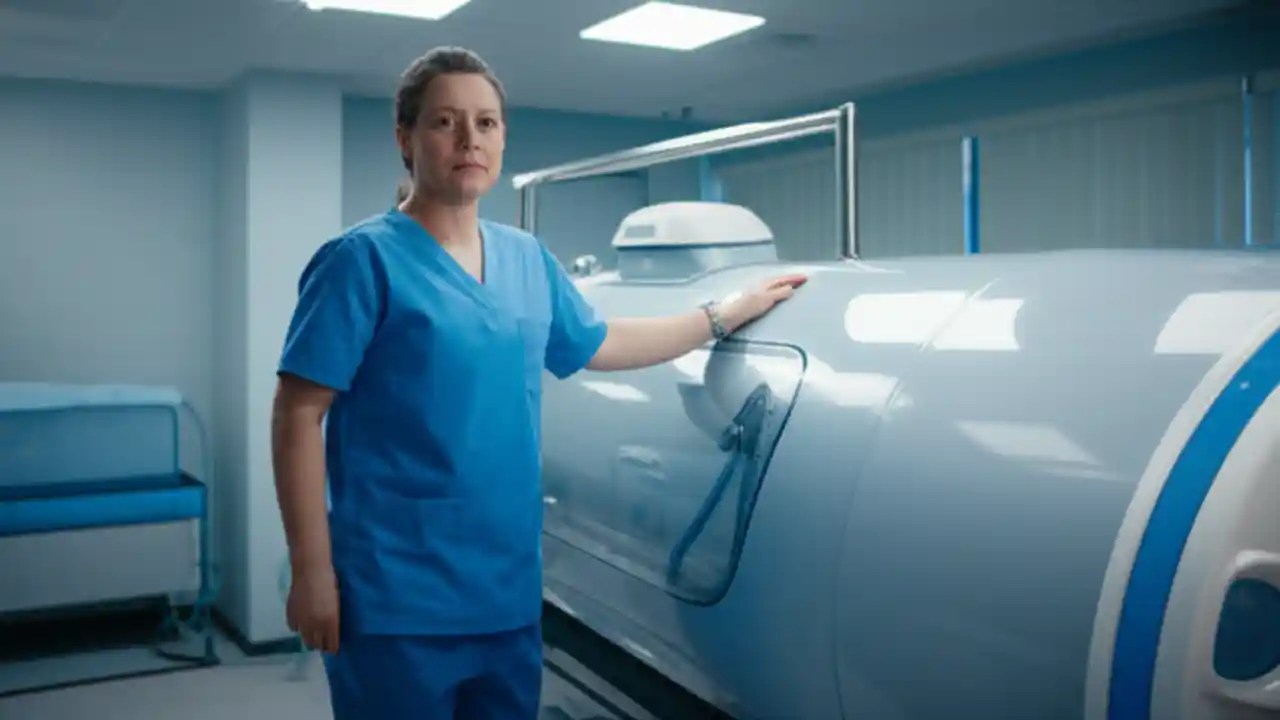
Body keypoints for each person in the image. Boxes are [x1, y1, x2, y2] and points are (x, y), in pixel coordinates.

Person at [270, 45, 806, 720]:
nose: (469, 139)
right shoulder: (360, 261)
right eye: (445, 122)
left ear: (501, 140)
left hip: (506, 594)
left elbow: (600, 342)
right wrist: (312, 570)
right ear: (405, 138)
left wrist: (720, 316)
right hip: (395, 597)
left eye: (486, 123)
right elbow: (297, 414)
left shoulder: (525, 257)